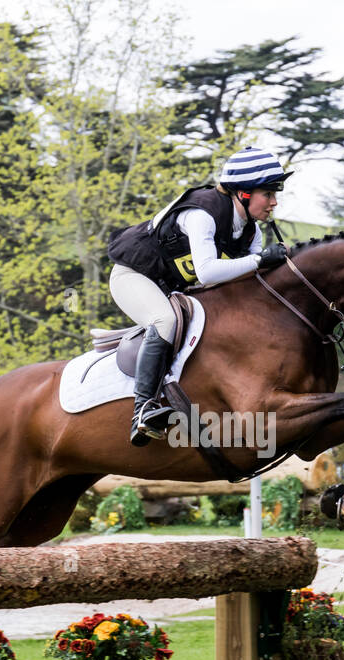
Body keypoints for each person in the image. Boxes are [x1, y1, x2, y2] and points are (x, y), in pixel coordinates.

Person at [107, 146, 292, 444]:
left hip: (172, 288)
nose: (274, 202)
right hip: (133, 276)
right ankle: (143, 409)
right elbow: (206, 273)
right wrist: (260, 260)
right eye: (268, 194)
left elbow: (250, 284)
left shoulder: (250, 232)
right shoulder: (202, 213)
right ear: (243, 193)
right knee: (164, 320)